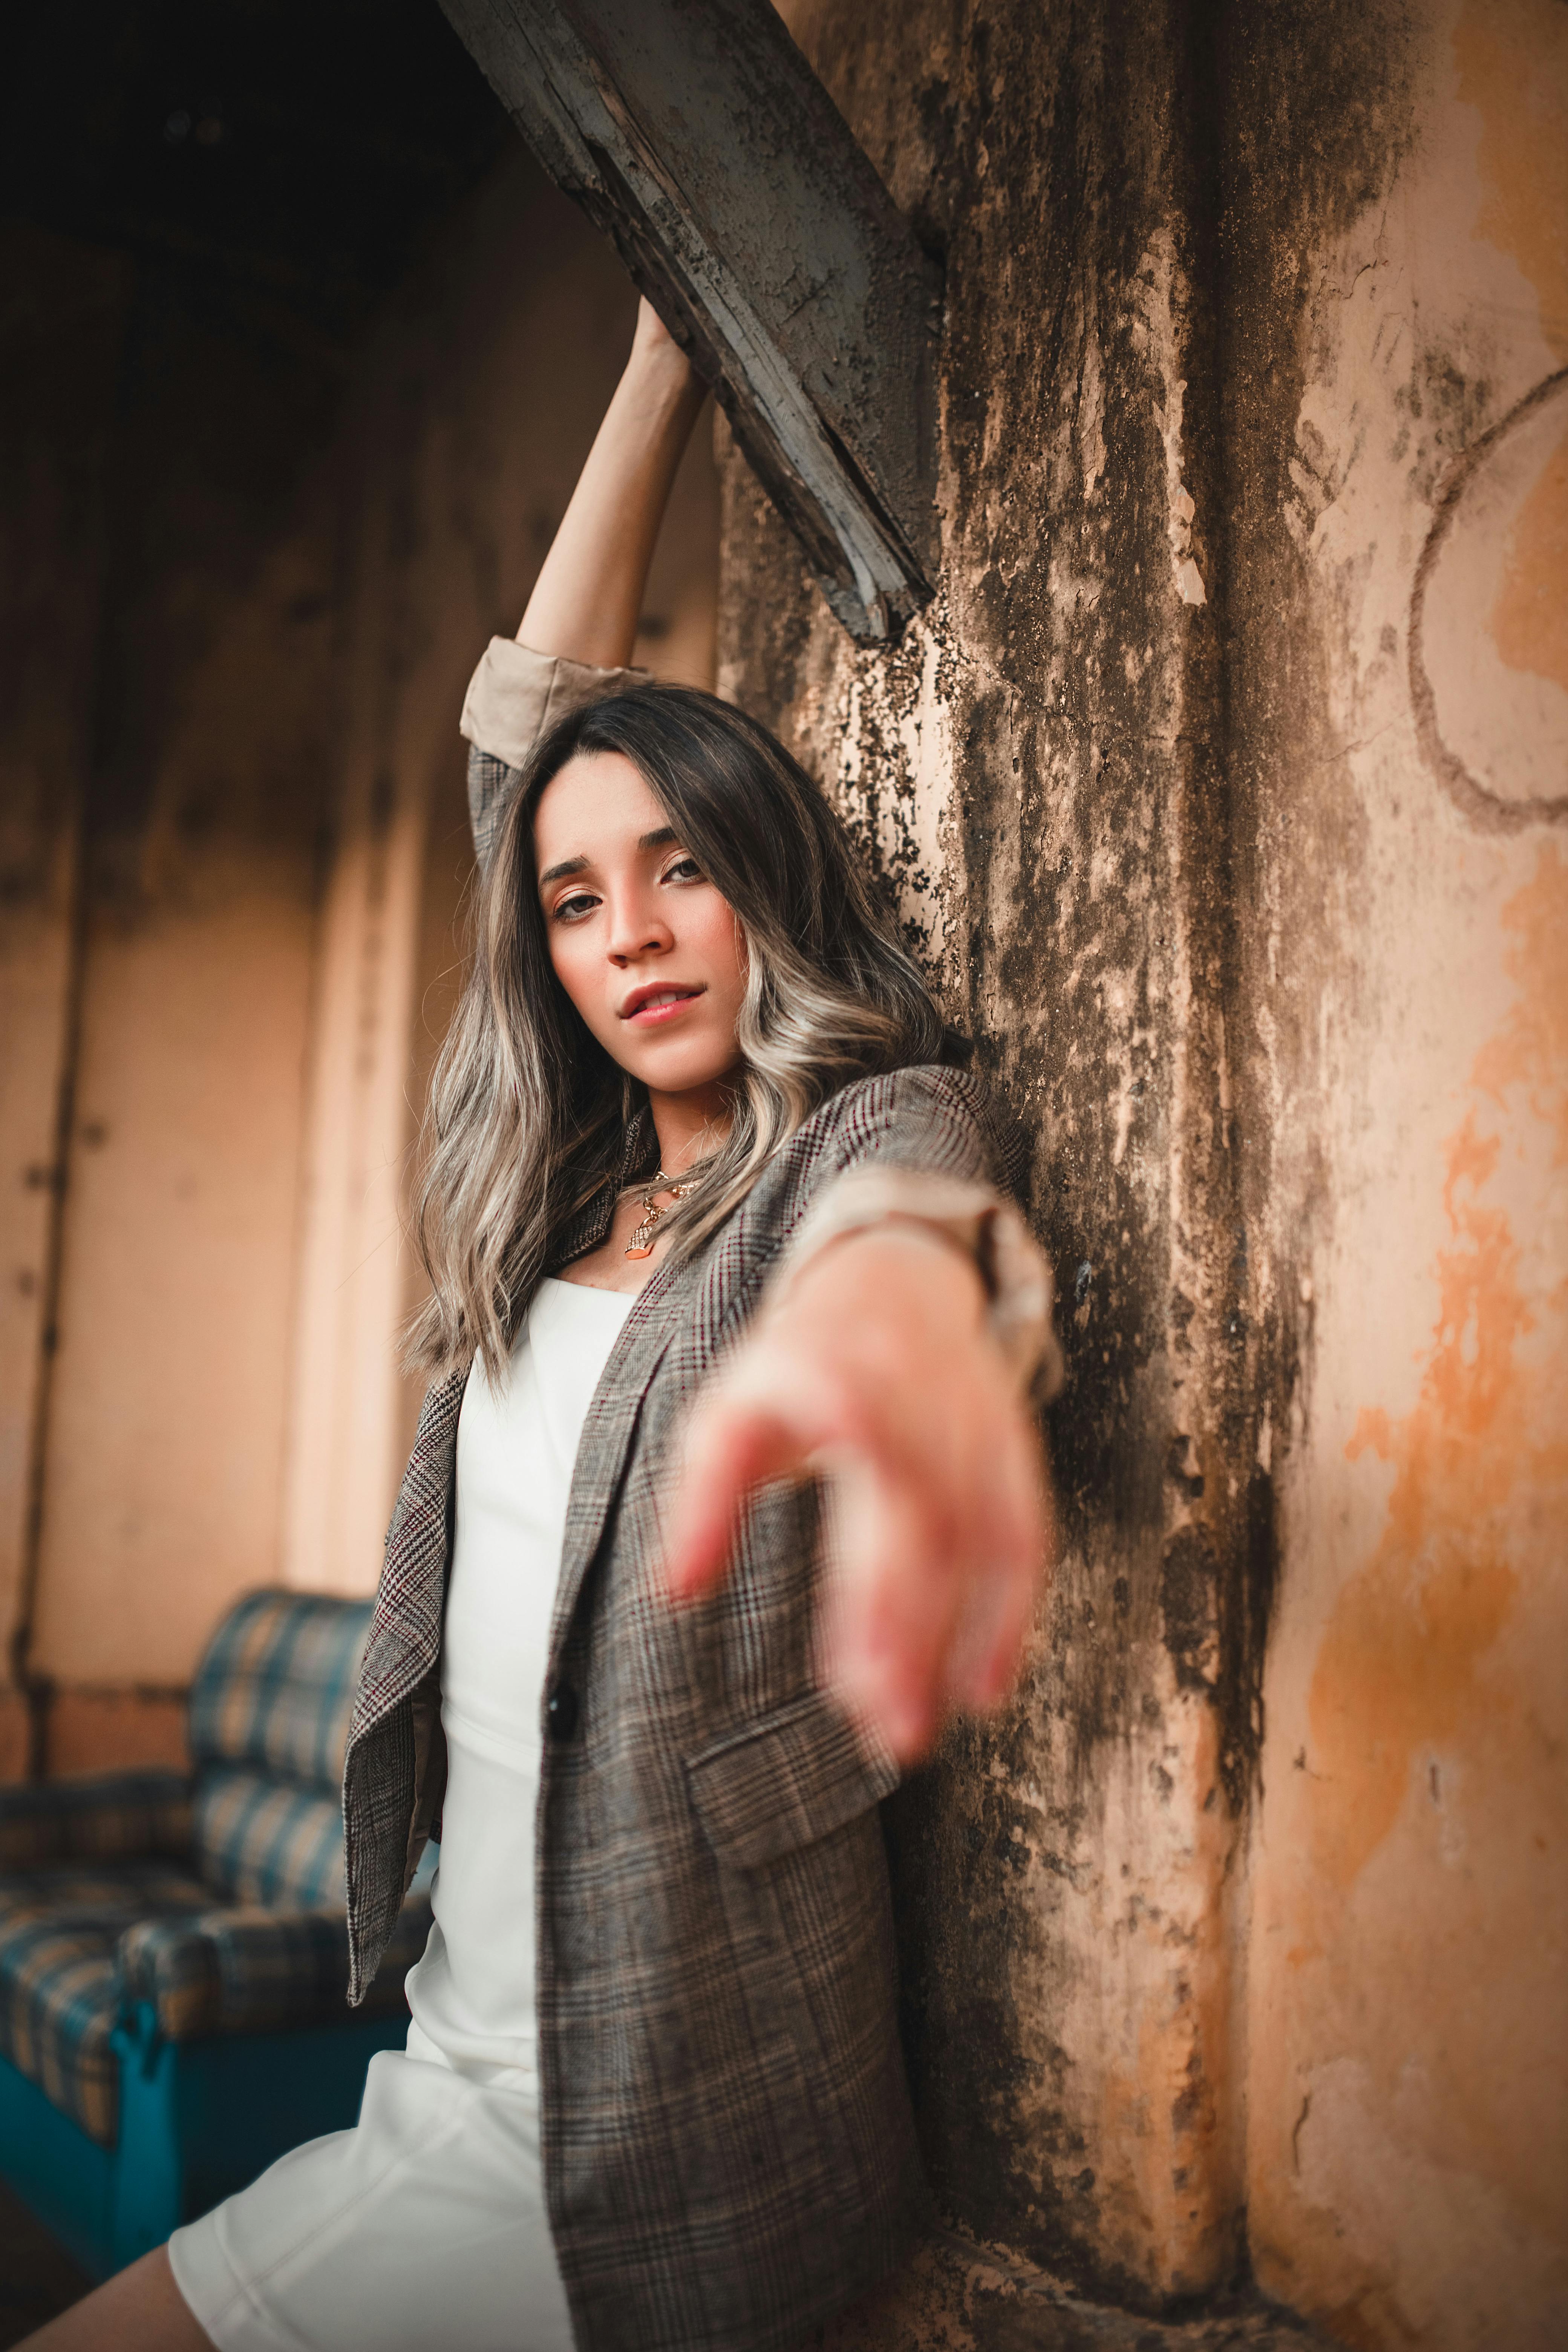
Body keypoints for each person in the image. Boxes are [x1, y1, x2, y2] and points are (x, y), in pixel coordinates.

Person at [31, 300, 1061, 2352]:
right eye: (579, 901)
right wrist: (668, 350)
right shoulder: (553, 1188)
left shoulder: (854, 1136)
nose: (631, 934)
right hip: (447, 2054)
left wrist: (896, 1323)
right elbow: (523, 744)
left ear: (767, 886)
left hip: (650, 2128)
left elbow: (917, 1219)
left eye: (683, 872)